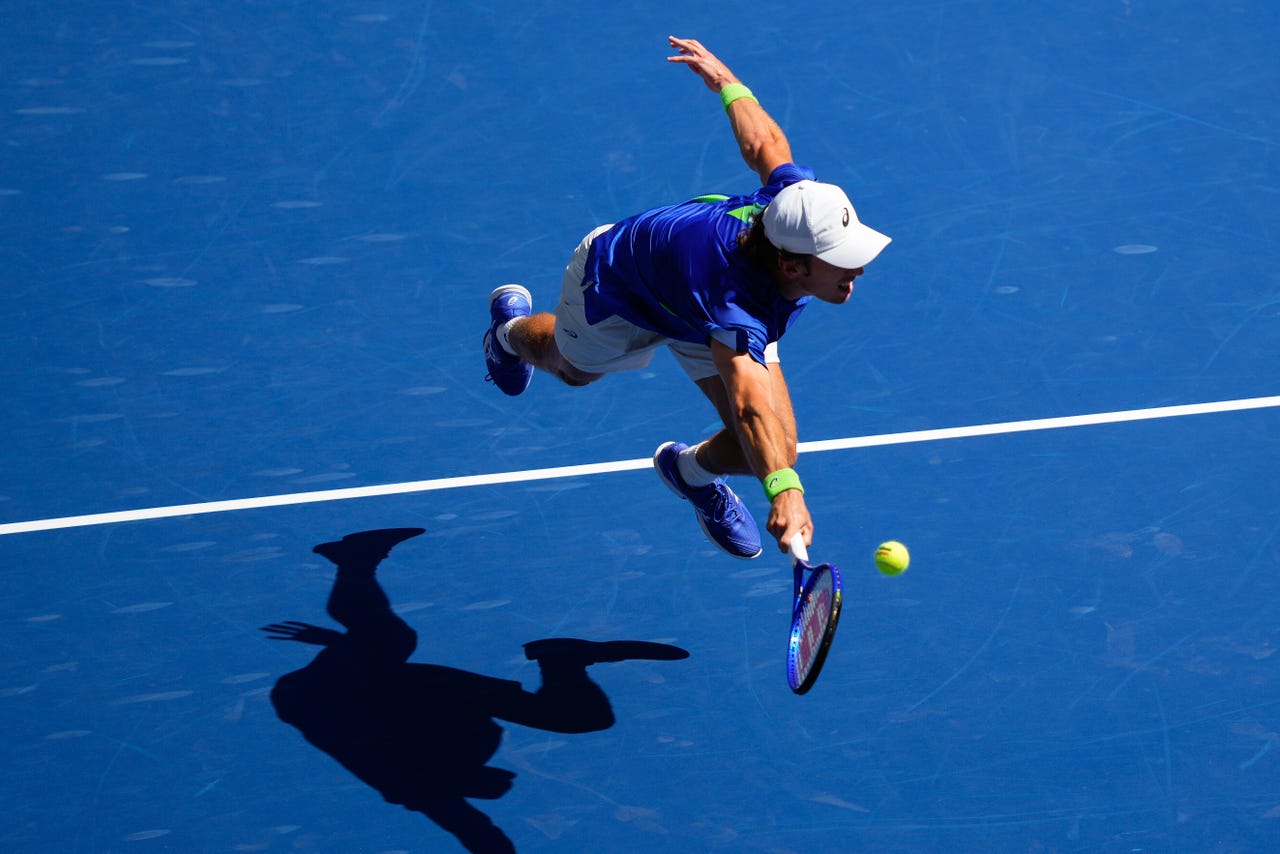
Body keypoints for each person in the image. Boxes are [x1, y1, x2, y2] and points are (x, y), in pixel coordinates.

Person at [482, 36, 891, 559]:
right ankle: (507, 335)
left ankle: (687, 473)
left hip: (695, 301)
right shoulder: (738, 309)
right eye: (840, 257)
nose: (858, 267)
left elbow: (764, 144)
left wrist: (728, 83)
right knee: (572, 369)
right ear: (792, 266)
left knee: (780, 450)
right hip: (617, 286)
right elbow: (749, 404)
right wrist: (785, 493)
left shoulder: (790, 207)